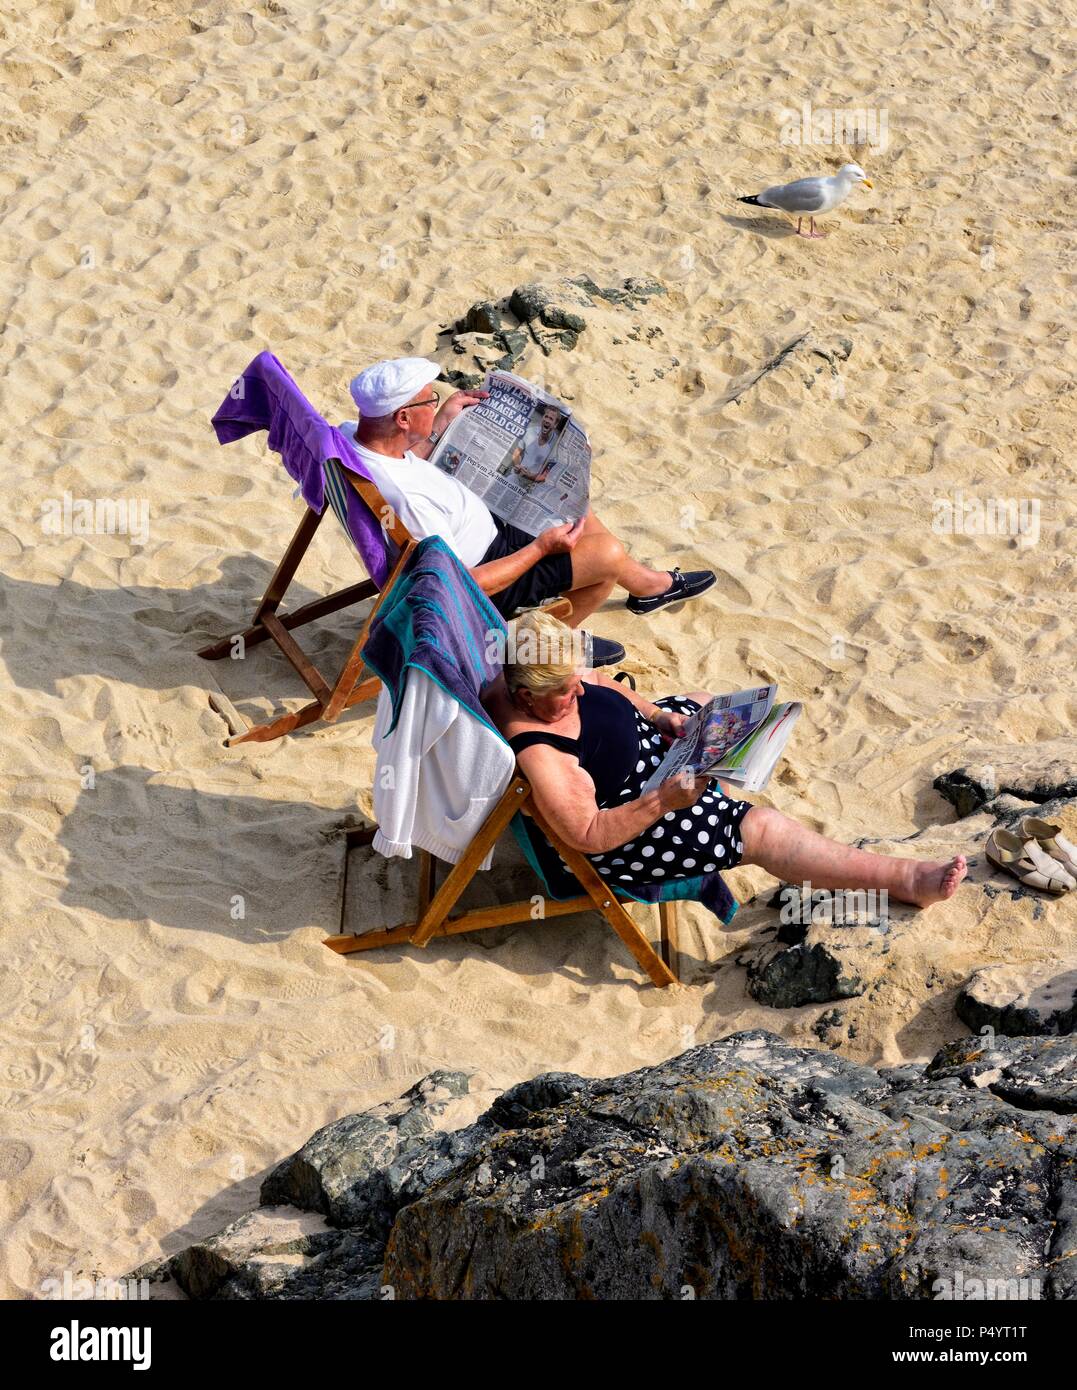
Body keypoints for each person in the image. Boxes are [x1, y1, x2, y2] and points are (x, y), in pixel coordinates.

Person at [482, 608, 968, 913]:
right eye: (564, 693)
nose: (578, 690)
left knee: (705, 701)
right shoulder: (543, 754)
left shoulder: (533, 670)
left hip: (654, 756)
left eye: (574, 681)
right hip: (637, 825)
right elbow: (588, 835)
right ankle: (908, 880)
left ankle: (716, 794)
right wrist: (662, 801)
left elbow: (600, 685)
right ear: (525, 697)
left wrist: (655, 714)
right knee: (763, 829)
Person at [338, 359, 717, 657]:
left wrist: (441, 423)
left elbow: (403, 463)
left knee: (571, 505)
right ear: (403, 418)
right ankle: (545, 650)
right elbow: (458, 585)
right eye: (429, 399)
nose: (436, 401)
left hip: (483, 529)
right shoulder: (408, 503)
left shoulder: (350, 440)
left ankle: (647, 585)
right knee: (607, 557)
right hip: (491, 573)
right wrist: (540, 549)